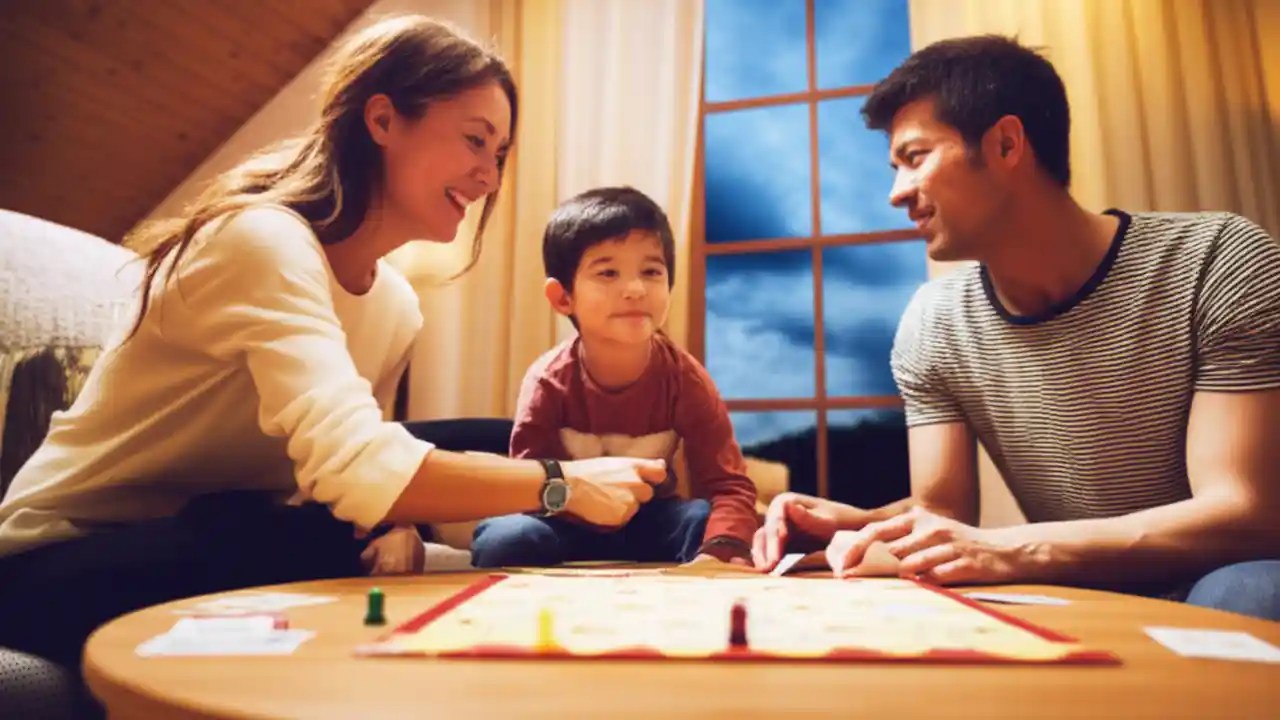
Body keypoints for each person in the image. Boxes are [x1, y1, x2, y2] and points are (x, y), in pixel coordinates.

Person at [0, 15, 667, 672]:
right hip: (55, 559)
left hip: (213, 520)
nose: (488, 177)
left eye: (497, 155)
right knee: (302, 534)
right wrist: (560, 485)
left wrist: (391, 525)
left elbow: (339, 473)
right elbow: (356, 472)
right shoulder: (260, 240)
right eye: (473, 141)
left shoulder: (394, 305)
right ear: (381, 121)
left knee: (505, 434)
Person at [753, 35, 1280, 620]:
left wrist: (1012, 549)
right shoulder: (934, 324)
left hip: (1218, 578)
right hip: (1074, 587)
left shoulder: (1217, 260)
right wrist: (856, 523)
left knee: (1251, 591)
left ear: (1006, 144)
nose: (897, 193)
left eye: (916, 157)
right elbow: (944, 515)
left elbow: (1245, 513)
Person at [470, 187, 759, 567]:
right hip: (562, 522)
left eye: (651, 271)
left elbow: (728, 485)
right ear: (562, 298)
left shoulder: (685, 379)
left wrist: (720, 550)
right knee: (509, 536)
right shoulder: (547, 382)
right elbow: (528, 486)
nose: (635, 289)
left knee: (703, 520)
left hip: (650, 522)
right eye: (608, 273)